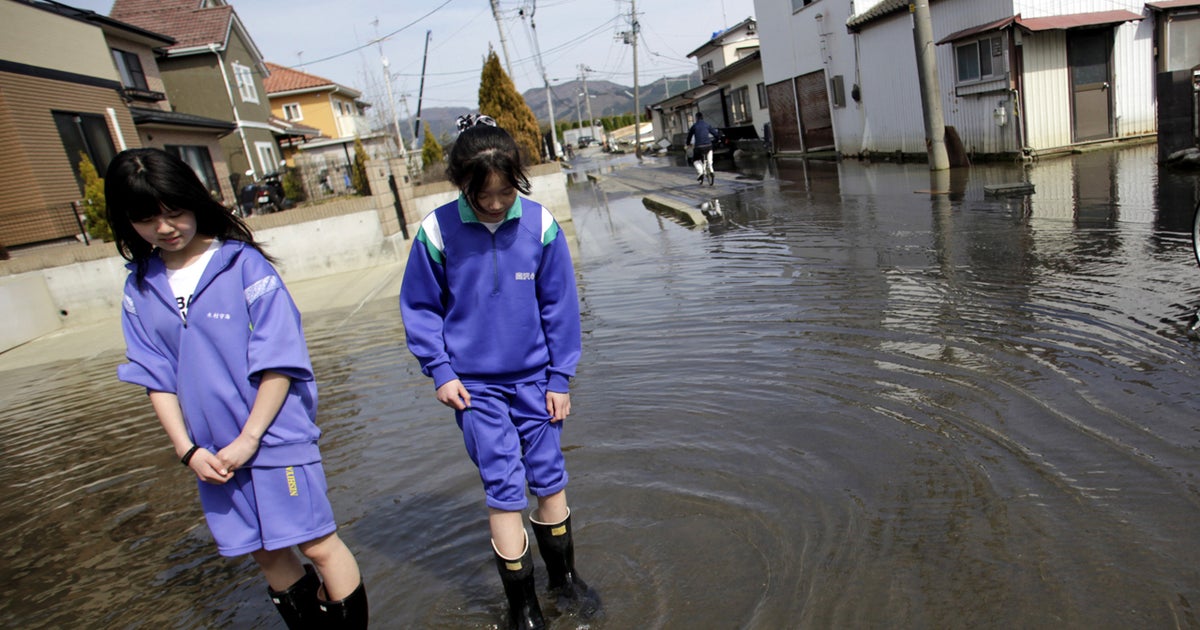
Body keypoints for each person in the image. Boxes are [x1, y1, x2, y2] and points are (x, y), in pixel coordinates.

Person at [105, 148, 368, 629]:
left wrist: (250, 438)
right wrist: (188, 452)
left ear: (194, 200)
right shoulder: (139, 288)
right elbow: (154, 376)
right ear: (127, 222)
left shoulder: (243, 265)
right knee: (266, 553)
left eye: (174, 211)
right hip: (213, 455)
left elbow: (279, 360)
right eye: (147, 218)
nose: (164, 227)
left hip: (273, 439)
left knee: (315, 542)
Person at [400, 114, 601, 629]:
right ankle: (524, 608)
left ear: (518, 179)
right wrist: (441, 371)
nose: (493, 204)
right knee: (503, 489)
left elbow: (560, 305)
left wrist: (560, 378)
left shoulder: (540, 224)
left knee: (550, 478)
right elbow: (421, 308)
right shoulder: (436, 232)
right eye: (480, 194)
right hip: (474, 388)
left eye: (503, 192)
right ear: (461, 184)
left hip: (536, 379)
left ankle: (565, 582)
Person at [686, 112, 721, 186]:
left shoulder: (694, 126)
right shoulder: (707, 125)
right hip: (708, 146)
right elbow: (715, 134)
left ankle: (700, 172)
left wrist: (688, 143)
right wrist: (717, 139)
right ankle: (711, 169)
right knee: (709, 158)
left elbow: (689, 136)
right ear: (702, 117)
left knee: (695, 160)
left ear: (696, 118)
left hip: (699, 147)